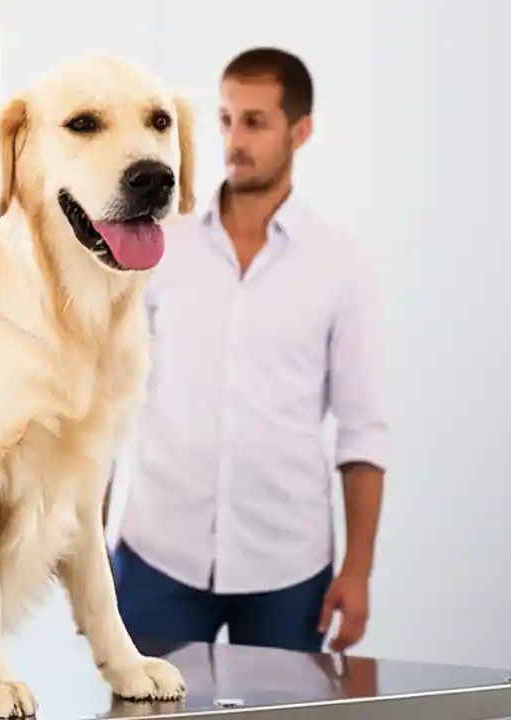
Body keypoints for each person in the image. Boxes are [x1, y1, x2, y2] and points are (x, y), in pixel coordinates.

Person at [107, 47, 388, 654]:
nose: (235, 139)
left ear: (300, 131)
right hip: (158, 554)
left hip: (287, 565)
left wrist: (358, 572)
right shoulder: (160, 246)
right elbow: (106, 393)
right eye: (227, 119)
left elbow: (363, 432)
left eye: (255, 122)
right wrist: (83, 550)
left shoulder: (342, 266)